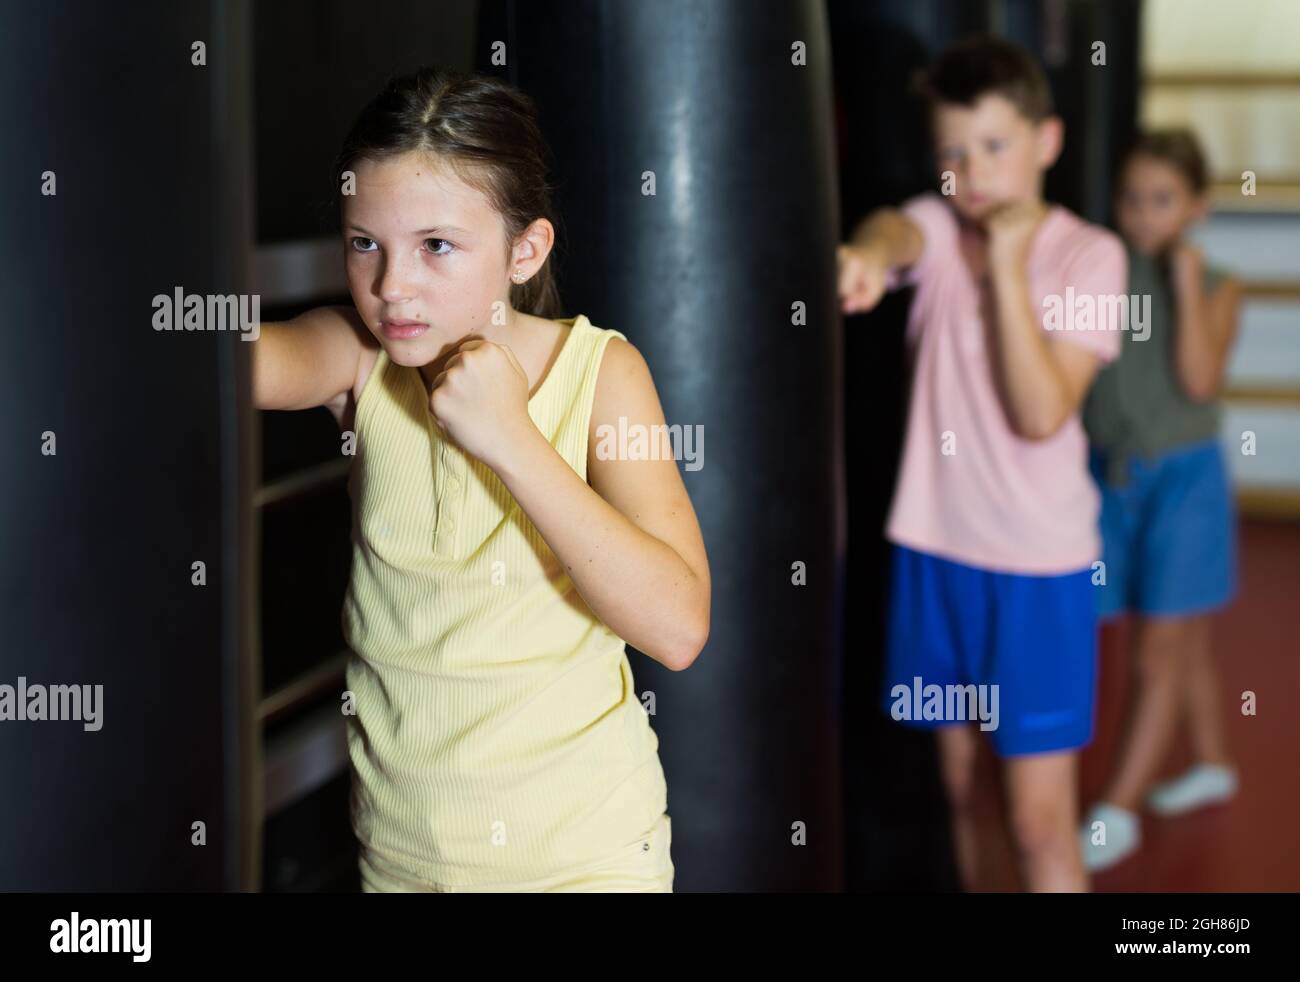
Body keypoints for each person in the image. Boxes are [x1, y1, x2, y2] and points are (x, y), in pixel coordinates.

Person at [252, 67, 711, 892]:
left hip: (585, 864)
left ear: (524, 249)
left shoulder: (599, 373)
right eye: (366, 243)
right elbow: (240, 362)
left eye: (436, 246)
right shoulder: (360, 359)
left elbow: (677, 628)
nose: (393, 286)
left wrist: (514, 441)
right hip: (400, 864)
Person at [837, 36, 1127, 891]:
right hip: (934, 555)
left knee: (1039, 822)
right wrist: (864, 254)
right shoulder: (936, 224)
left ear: (1047, 142)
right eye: (953, 153)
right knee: (962, 789)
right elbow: (895, 231)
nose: (974, 171)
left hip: (1036, 572)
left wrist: (1006, 263)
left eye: (995, 145)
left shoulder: (1088, 256)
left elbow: (1041, 412)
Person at [1079, 129, 1243, 872]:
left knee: (1163, 646)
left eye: (1163, 200)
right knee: (1181, 638)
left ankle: (1117, 809)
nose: (1144, 214)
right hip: (1112, 475)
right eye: (1132, 198)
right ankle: (1212, 761)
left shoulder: (1218, 285)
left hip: (1187, 479)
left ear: (1198, 207)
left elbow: (1200, 381)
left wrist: (1183, 279)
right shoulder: (1100, 269)